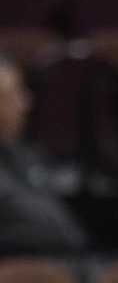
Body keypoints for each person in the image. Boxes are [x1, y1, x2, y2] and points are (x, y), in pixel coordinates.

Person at [0, 53, 91, 258]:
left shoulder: (22, 154)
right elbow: (49, 227)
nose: (26, 104)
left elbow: (62, 226)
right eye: (14, 95)